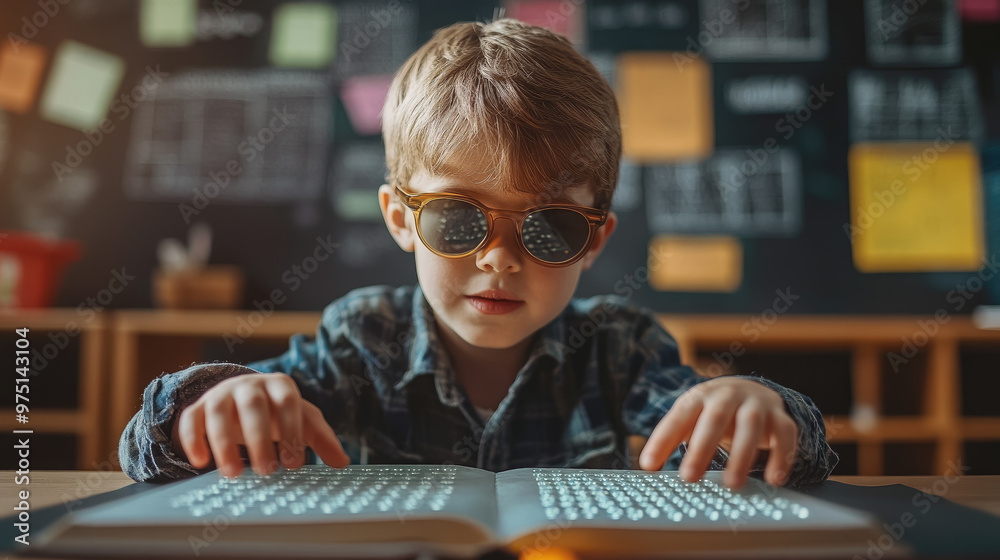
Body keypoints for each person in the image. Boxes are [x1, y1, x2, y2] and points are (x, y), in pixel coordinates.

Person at [119, 18, 838, 490]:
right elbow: (149, 456)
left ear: (594, 240)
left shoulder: (624, 351)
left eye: (549, 226)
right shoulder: (359, 341)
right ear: (401, 219)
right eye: (460, 220)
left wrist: (763, 412)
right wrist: (207, 406)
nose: (499, 259)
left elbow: (752, 455)